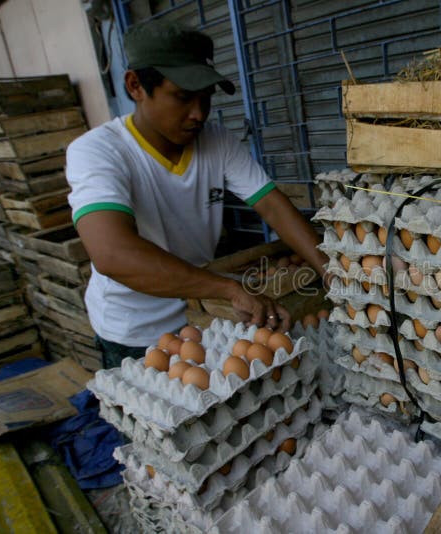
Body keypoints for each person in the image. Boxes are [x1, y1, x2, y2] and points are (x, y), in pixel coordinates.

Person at [66, 19, 329, 369]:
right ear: (135, 86)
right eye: (183, 97)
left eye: (206, 99)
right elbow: (113, 254)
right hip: (135, 332)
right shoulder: (98, 152)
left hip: (202, 313)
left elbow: (272, 206)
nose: (198, 114)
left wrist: (330, 273)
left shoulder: (216, 142)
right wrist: (229, 289)